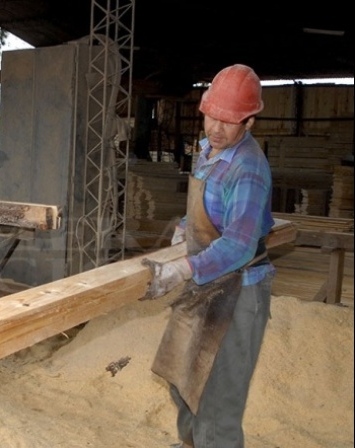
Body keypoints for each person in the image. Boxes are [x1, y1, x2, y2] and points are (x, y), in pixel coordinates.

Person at [142, 64, 275, 447]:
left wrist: (183, 268)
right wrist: (185, 230)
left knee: (217, 402)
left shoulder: (247, 169)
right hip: (207, 278)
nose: (216, 128)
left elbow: (238, 245)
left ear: (249, 121)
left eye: (228, 121)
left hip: (239, 288)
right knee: (184, 378)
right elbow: (206, 211)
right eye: (211, 117)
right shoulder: (208, 151)